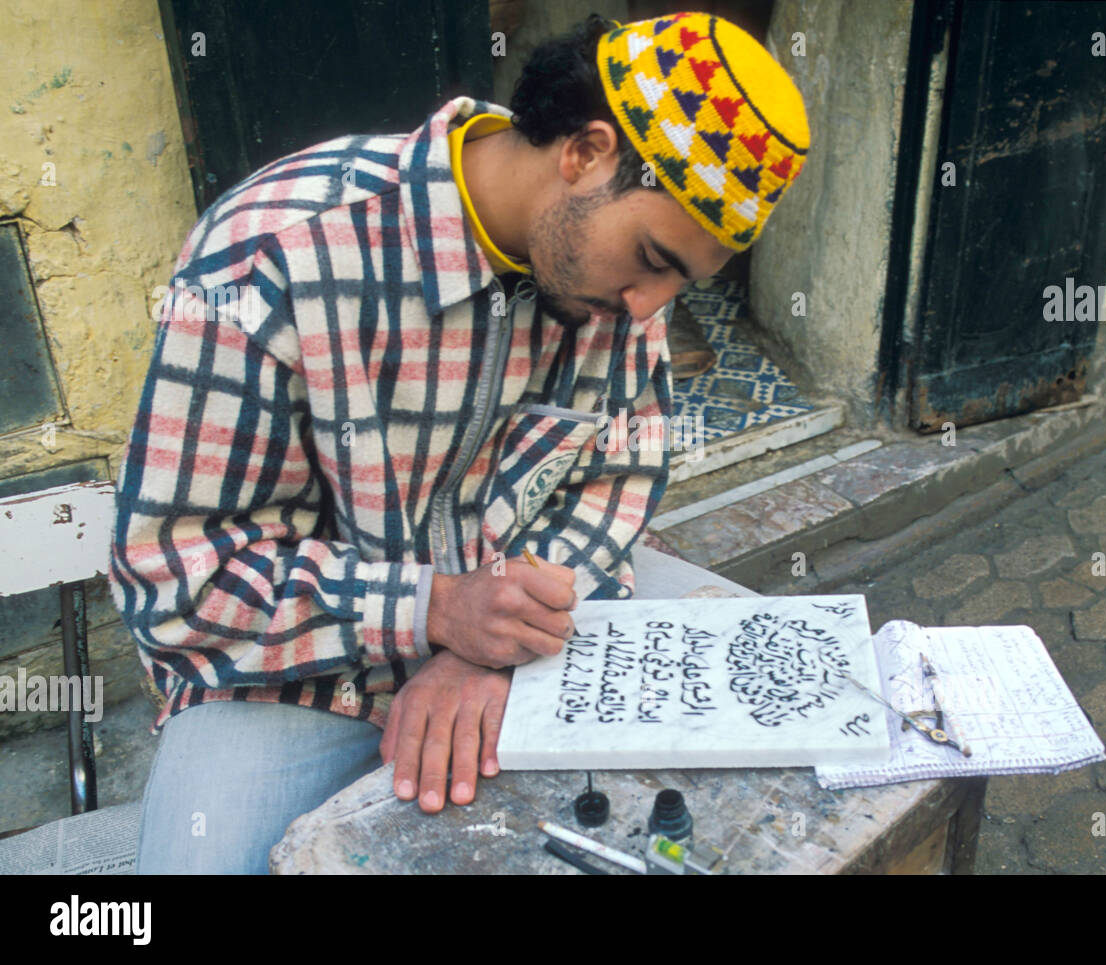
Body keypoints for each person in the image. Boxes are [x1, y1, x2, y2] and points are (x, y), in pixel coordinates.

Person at [109, 10, 809, 873]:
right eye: (653, 257)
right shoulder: (270, 257)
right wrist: (436, 609)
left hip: (524, 646)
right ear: (586, 154)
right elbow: (174, 574)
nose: (650, 309)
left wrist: (499, 639)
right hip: (295, 671)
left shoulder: (613, 292)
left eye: (681, 281)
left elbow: (620, 476)